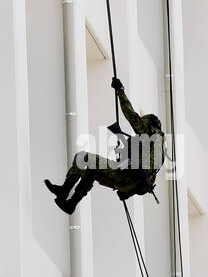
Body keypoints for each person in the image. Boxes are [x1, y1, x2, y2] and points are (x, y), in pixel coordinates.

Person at [44, 77, 165, 214]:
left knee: (82, 157)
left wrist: (120, 91)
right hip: (128, 183)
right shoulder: (158, 152)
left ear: (148, 124)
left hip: (125, 178)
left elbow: (131, 116)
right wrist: (128, 192)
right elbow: (144, 177)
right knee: (91, 171)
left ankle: (64, 191)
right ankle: (70, 204)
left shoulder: (150, 133)